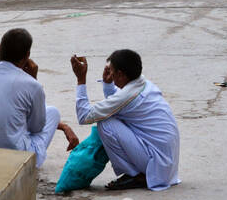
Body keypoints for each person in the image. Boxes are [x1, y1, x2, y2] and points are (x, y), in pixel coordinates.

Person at [71, 49, 180, 192]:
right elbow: (119, 105)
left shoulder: (128, 95)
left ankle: (136, 175)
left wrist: (81, 79)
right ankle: (140, 172)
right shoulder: (144, 83)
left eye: (112, 71)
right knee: (111, 116)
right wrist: (108, 84)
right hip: (166, 163)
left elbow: (84, 116)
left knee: (105, 123)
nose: (110, 74)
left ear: (121, 74)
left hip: (157, 163)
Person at [0, 28, 78, 166]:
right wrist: (33, 79)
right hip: (16, 157)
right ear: (27, 55)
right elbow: (35, 128)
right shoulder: (31, 85)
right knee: (53, 112)